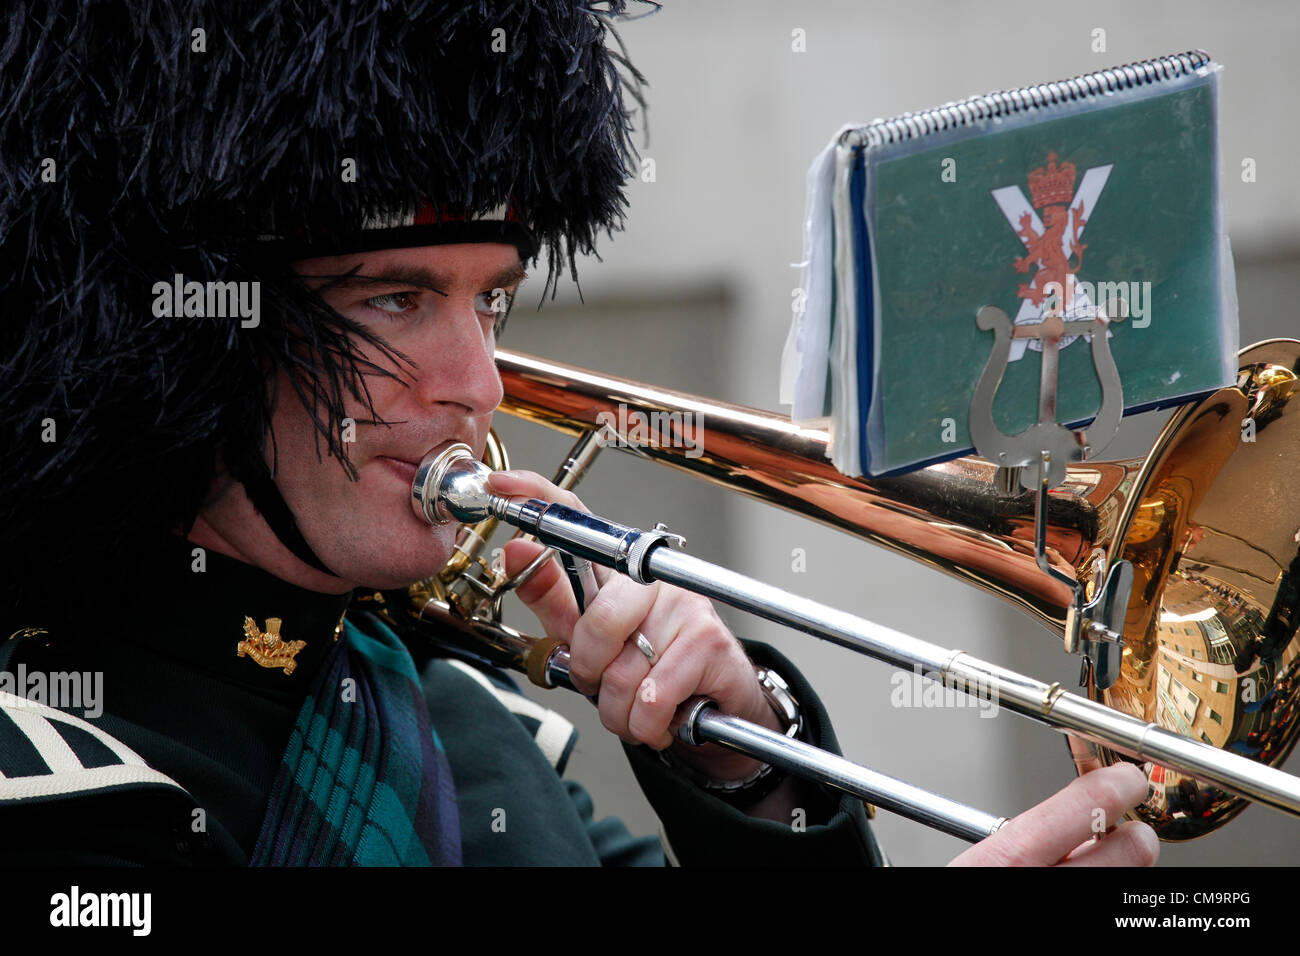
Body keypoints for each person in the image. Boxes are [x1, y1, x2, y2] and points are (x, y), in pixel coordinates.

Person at [0, 0, 1157, 867]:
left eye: (490, 299)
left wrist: (745, 773)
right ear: (195, 333)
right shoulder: (56, 770)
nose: (478, 384)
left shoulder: (481, 738)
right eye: (395, 300)